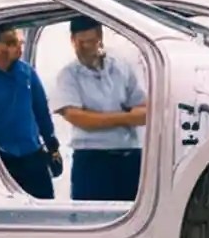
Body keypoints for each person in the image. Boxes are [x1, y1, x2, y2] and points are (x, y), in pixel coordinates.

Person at [49, 16, 147, 201]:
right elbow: (80, 119)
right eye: (81, 43)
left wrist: (99, 118)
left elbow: (145, 112)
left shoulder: (121, 67)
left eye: (91, 42)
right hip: (92, 160)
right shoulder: (68, 75)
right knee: (90, 215)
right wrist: (126, 117)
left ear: (100, 38)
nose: (86, 47)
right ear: (72, 40)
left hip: (129, 157)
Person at [0, 25, 62, 198]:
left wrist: (52, 147)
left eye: (19, 43)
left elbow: (41, 110)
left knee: (44, 206)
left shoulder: (27, 73)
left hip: (32, 155)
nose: (17, 47)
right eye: (10, 43)